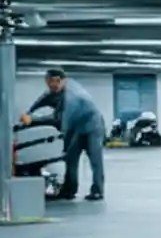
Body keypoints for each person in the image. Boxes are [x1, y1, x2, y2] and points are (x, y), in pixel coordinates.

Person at [19, 68, 106, 201]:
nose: (53, 84)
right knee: (70, 158)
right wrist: (28, 113)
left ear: (63, 81)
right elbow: (44, 99)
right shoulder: (57, 89)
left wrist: (33, 121)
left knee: (95, 160)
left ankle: (97, 191)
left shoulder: (72, 98)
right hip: (77, 127)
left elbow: (59, 121)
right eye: (49, 81)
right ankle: (69, 190)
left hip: (93, 127)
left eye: (56, 82)